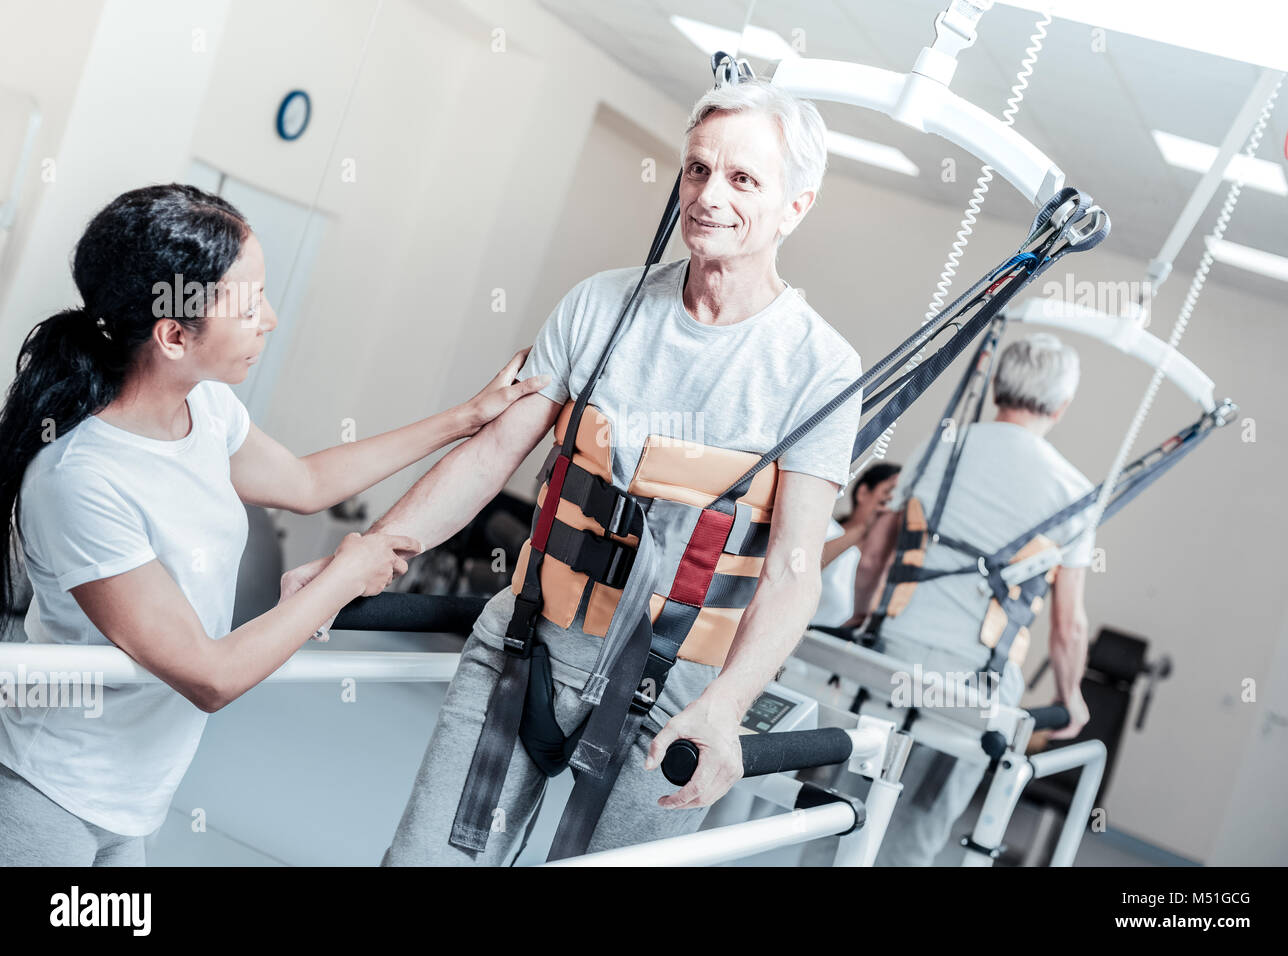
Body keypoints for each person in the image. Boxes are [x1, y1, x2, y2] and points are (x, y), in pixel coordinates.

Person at [282, 79, 864, 865]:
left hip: (675, 698)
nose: (708, 195)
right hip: (527, 647)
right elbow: (491, 455)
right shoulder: (600, 304)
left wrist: (729, 707)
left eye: (743, 179)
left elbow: (795, 571)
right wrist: (360, 559)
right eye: (698, 170)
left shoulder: (819, 368)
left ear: (797, 205)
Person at [0, 184, 545, 866]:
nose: (272, 320)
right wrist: (345, 575)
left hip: (139, 795)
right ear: (173, 334)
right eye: (250, 304)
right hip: (51, 794)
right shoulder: (80, 479)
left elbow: (306, 484)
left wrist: (466, 417)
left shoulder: (208, 409)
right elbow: (209, 675)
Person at [851, 332, 1093, 866]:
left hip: (889, 655)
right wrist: (1071, 698)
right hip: (976, 684)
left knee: (849, 808)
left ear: (999, 387)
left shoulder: (939, 449)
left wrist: (859, 620)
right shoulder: (1073, 490)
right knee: (915, 828)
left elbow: (872, 557)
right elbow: (1068, 627)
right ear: (1062, 404)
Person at [811, 462, 900, 629]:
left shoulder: (885, 566)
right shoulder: (825, 528)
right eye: (888, 493)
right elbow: (804, 567)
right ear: (863, 493)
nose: (890, 506)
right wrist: (863, 530)